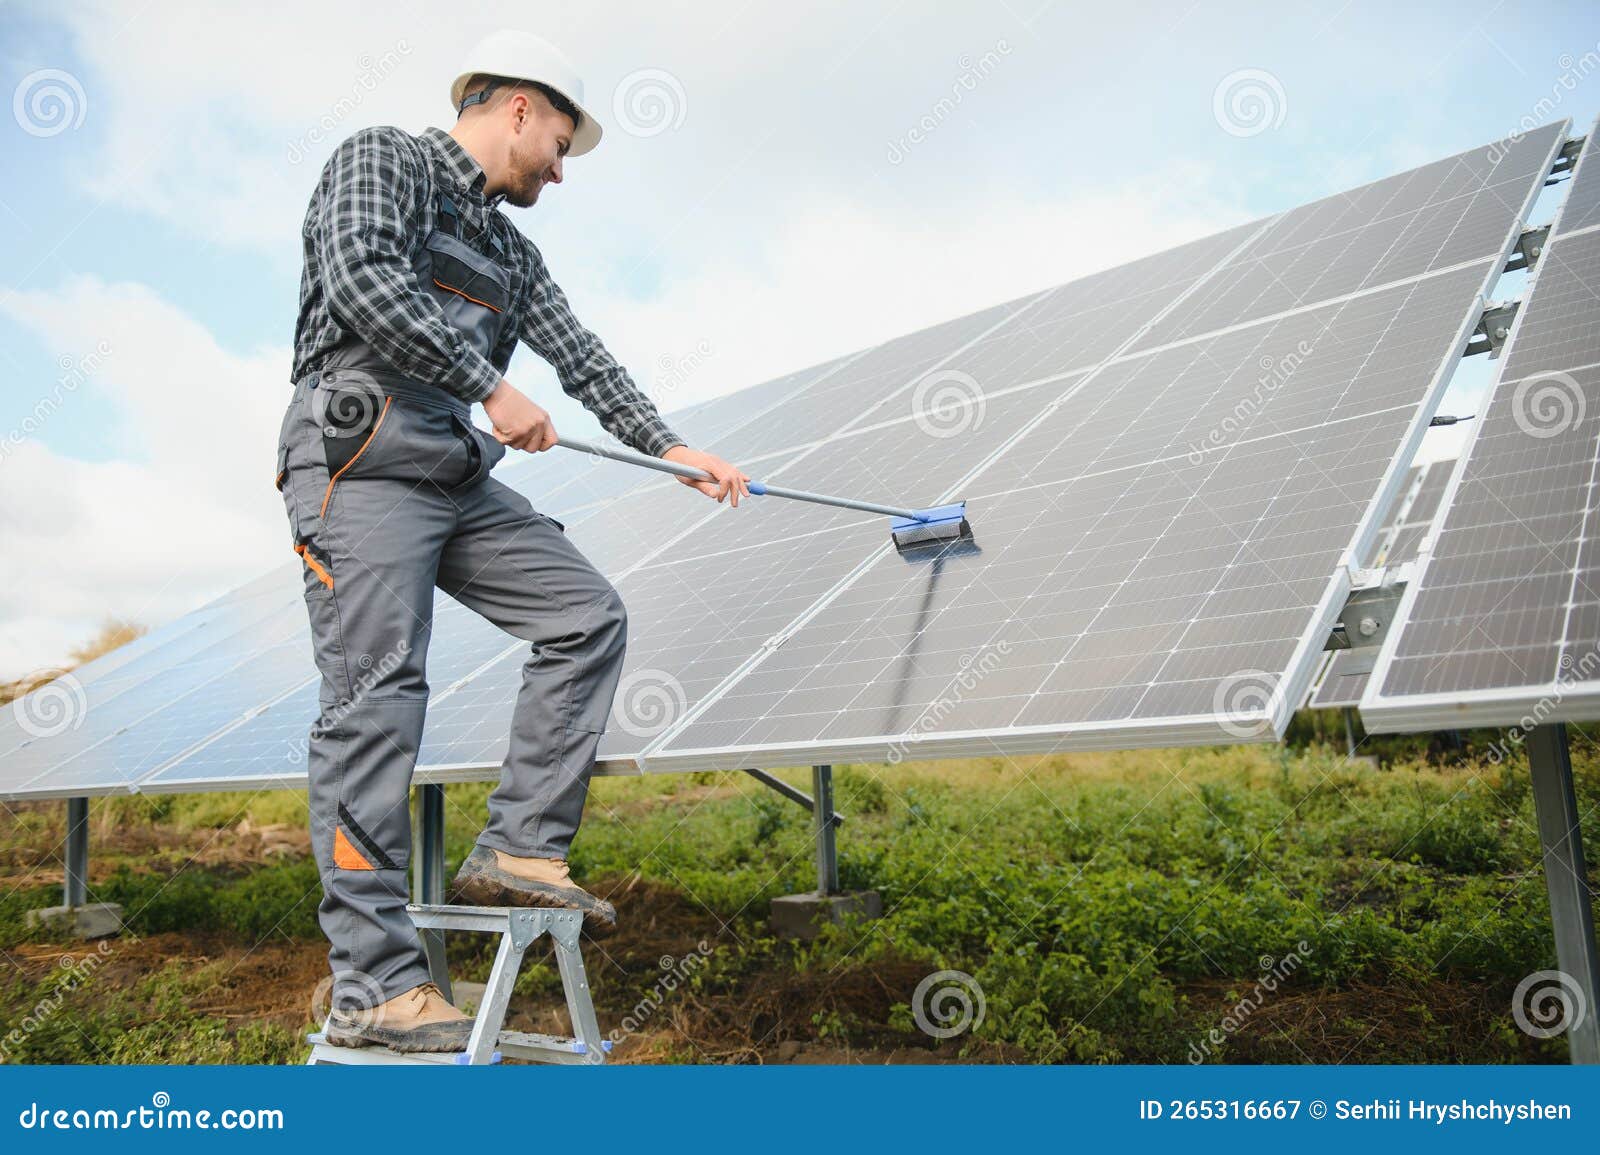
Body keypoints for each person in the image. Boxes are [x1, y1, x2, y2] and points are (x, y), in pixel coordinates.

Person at [276, 29, 748, 1053]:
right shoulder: (382, 160)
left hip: (448, 468)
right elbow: (363, 278)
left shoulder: (510, 252)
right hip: (359, 457)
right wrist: (487, 382)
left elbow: (581, 355)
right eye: (561, 147)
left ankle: (521, 848)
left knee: (584, 614)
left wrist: (674, 448)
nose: (562, 171)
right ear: (519, 108)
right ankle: (375, 990)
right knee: (376, 697)